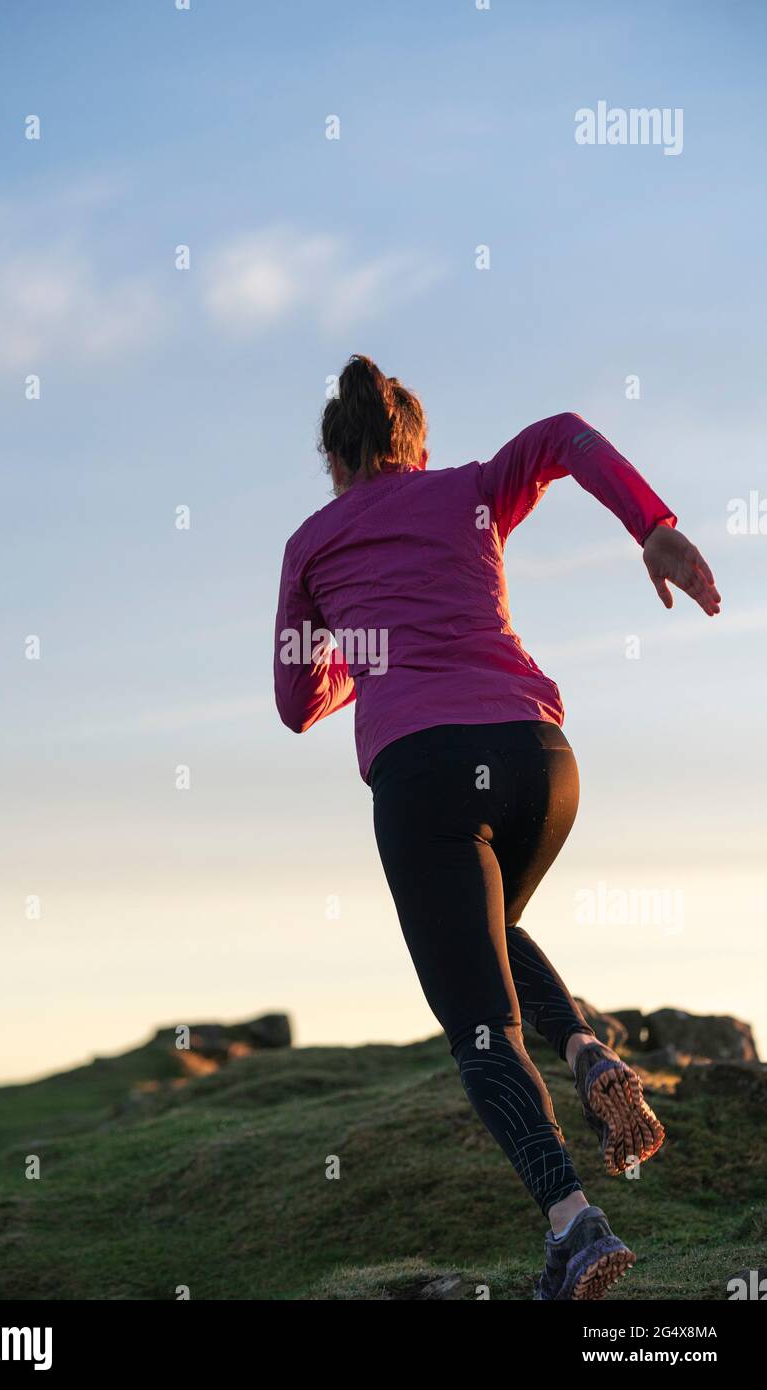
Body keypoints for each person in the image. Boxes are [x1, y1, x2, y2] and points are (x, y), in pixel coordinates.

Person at [273, 355, 720, 1300]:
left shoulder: (311, 545)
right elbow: (564, 434)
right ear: (417, 448)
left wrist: (364, 648)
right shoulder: (470, 490)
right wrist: (656, 527)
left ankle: (576, 1227)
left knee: (479, 1024)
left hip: (425, 776)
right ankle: (588, 1051)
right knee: (491, 936)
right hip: (541, 761)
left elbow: (294, 699)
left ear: (335, 460)